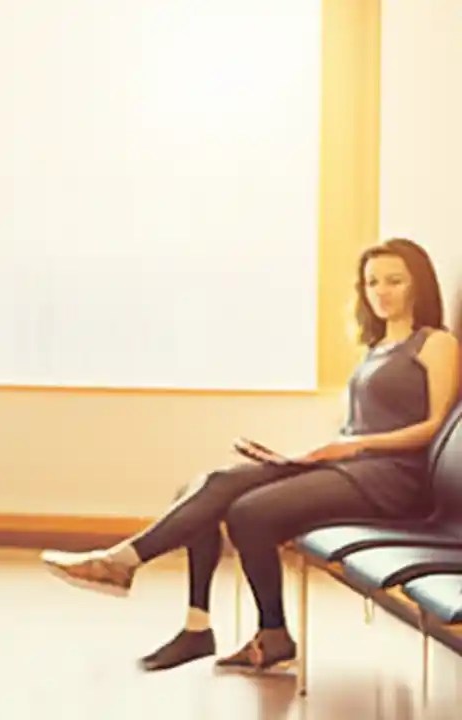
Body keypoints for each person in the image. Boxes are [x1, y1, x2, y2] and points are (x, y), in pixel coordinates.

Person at [41, 238, 460, 672]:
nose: (381, 292)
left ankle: (141, 573)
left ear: (418, 284)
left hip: (391, 481)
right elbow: (363, 424)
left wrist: (351, 446)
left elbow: (435, 426)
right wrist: (308, 456)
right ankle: (194, 625)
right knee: (210, 485)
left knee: (249, 512)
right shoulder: (375, 348)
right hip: (349, 466)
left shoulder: (435, 343)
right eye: (372, 282)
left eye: (394, 281)